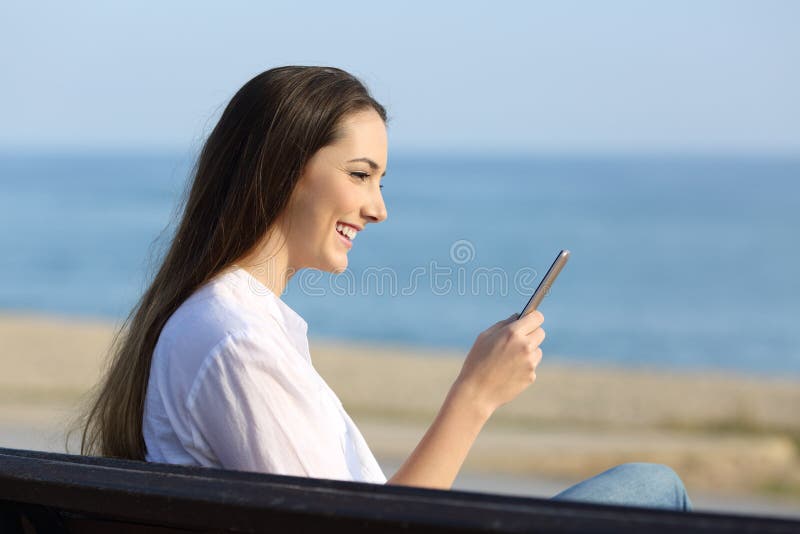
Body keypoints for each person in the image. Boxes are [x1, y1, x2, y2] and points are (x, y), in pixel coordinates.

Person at [77, 65, 692, 511]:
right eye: (359, 175)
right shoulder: (234, 342)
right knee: (652, 490)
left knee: (645, 484)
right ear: (283, 171)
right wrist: (474, 397)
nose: (377, 208)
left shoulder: (231, 325)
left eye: (381, 181)